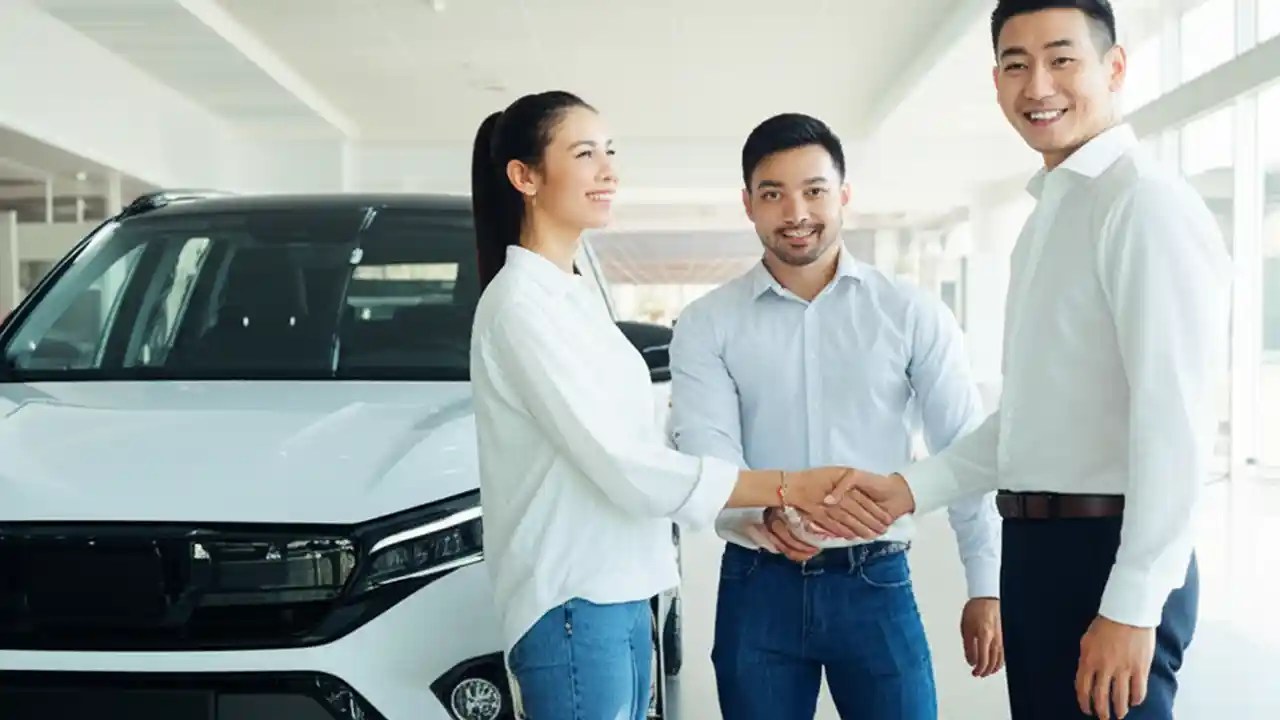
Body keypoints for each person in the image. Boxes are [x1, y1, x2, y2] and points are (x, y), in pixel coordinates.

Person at [835, 2, 1232, 719]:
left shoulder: (1142, 203)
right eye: (1016, 65)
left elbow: (1177, 424)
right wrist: (908, 487)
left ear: (1114, 68)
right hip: (1039, 553)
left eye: (1062, 58)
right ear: (996, 83)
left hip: (1106, 555)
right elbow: (1029, 420)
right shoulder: (1050, 216)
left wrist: (1134, 606)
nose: (1038, 85)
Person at [467, 90, 892, 720]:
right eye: (585, 154)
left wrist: (747, 509)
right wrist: (785, 487)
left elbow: (640, 447)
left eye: (610, 152)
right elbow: (620, 464)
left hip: (623, 590)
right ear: (525, 177)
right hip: (571, 603)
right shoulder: (519, 308)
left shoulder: (574, 298)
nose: (609, 171)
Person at [667, 112, 1005, 720]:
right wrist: (764, 511)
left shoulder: (909, 312)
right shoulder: (706, 324)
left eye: (815, 190)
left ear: (844, 195)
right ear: (748, 204)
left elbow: (964, 446)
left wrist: (985, 582)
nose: (796, 211)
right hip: (757, 584)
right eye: (773, 193)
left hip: (876, 582)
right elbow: (707, 444)